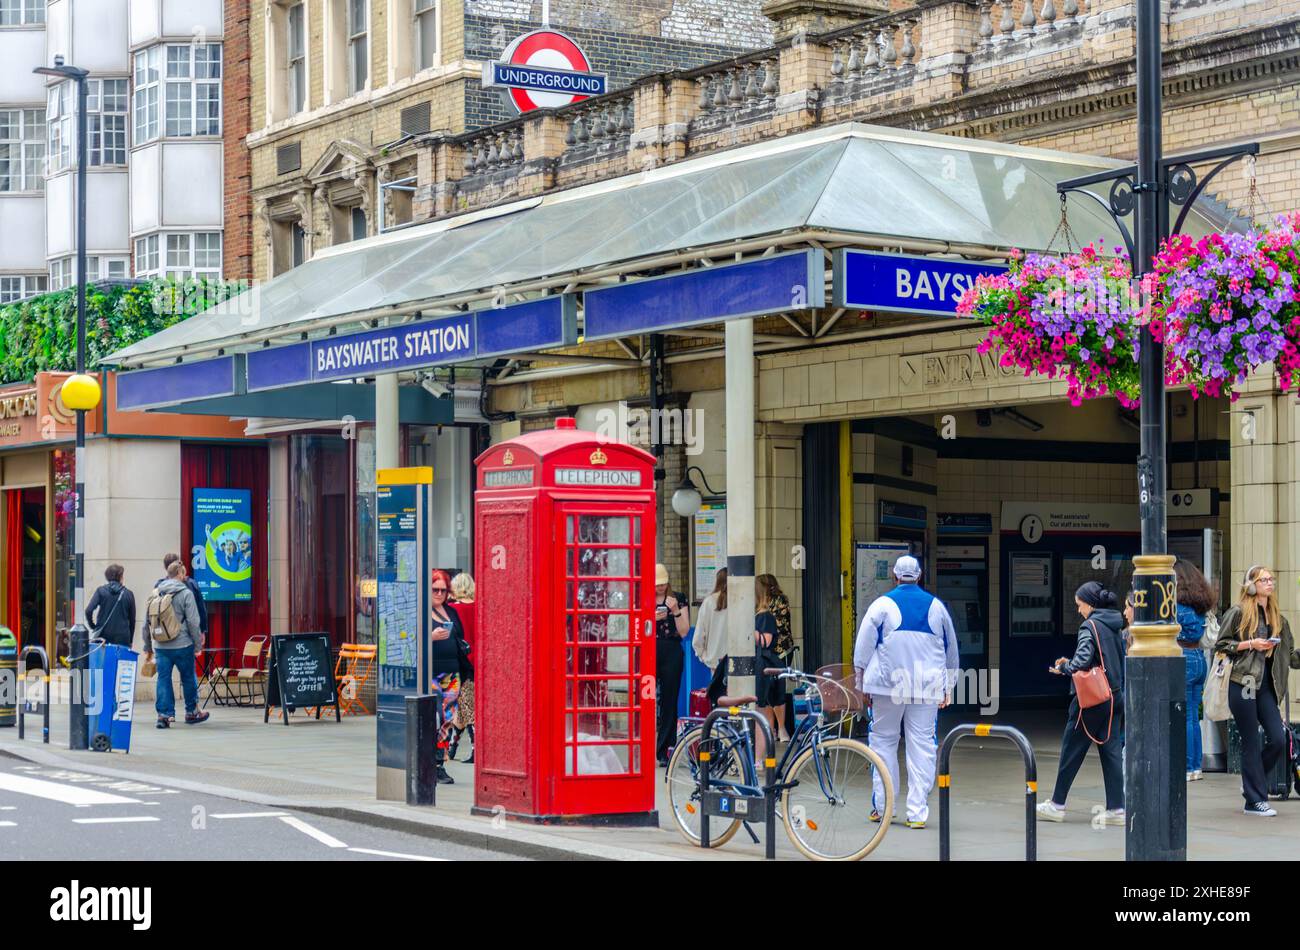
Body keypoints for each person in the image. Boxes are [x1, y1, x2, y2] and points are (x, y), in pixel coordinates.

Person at [854, 555, 958, 829]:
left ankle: (883, 806)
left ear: (894, 575)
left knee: (884, 742)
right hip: (927, 687)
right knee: (922, 744)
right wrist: (949, 686)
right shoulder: (937, 607)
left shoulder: (881, 605)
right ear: (920, 575)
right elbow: (951, 651)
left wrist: (860, 681)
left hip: (886, 686)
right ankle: (917, 812)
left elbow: (863, 647)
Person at [1036, 581, 1126, 825]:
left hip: (1092, 700)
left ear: (1090, 604)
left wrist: (1065, 666)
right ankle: (1117, 809)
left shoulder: (1090, 625)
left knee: (1071, 750)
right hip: (1115, 696)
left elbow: (1083, 661)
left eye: (1079, 605)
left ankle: (1056, 804)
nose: (1078, 610)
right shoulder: (1115, 624)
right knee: (1111, 752)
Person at [1214, 565, 1300, 817]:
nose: (1270, 583)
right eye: (1264, 580)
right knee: (1251, 740)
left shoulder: (1278, 618)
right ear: (1251, 585)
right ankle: (1254, 800)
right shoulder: (1239, 612)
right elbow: (1221, 644)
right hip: (1243, 683)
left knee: (1278, 738)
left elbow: (1291, 656)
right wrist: (1251, 643)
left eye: (1271, 579)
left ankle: (1252, 783)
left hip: (1266, 687)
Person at [142, 560, 209, 728]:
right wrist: (197, 645)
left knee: (163, 679)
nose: (184, 576)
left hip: (161, 645)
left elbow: (147, 622)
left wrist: (148, 646)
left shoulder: (156, 592)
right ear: (179, 574)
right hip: (182, 644)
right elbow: (194, 622)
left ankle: (164, 715)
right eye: (183, 573)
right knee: (187, 678)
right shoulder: (185, 593)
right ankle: (192, 712)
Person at [1174, 560, 1216, 782]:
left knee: (1185, 715)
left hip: (1183, 657)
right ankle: (1195, 766)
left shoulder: (1176, 607)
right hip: (1199, 658)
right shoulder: (1199, 606)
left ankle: (1188, 766)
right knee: (1192, 714)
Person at [429, 569, 468, 784]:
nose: (439, 594)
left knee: (448, 721)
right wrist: (431, 637)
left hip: (453, 674)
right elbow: (410, 643)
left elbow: (460, 638)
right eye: (435, 589)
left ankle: (439, 765)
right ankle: (430, 761)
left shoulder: (451, 612)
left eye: (443, 590)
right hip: (431, 674)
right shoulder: (422, 613)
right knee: (435, 719)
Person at [654, 564, 689, 766]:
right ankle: (645, 746)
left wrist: (675, 611)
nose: (660, 587)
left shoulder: (678, 598)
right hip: (649, 649)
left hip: (672, 651)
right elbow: (635, 627)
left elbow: (684, 632)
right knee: (647, 701)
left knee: (669, 701)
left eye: (663, 583)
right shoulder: (642, 597)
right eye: (657, 584)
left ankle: (665, 750)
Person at [757, 573, 796, 741]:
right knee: (766, 692)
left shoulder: (779, 600)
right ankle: (771, 728)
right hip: (766, 653)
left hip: (780, 651)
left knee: (777, 689)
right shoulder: (759, 604)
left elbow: (778, 624)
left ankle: (781, 727)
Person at [754, 577, 786, 746]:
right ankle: (770, 734)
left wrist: (750, 630)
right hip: (759, 663)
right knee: (764, 701)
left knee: (767, 700)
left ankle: (776, 731)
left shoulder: (765, 617)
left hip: (765, 664)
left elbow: (765, 641)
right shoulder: (758, 615)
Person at [448, 571, 476, 763]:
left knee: (467, 706)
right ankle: (453, 747)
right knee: (464, 705)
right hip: (478, 661)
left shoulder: (451, 609)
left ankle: (476, 750)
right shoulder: (479, 607)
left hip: (460, 662)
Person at [693, 569, 729, 708]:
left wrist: (704, 656)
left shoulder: (708, 602)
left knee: (719, 703)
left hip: (715, 662)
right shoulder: (741, 600)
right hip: (738, 662)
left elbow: (698, 638)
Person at [157, 552, 208, 645]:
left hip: (163, 638)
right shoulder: (191, 584)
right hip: (185, 638)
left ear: (165, 567)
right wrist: (202, 631)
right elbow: (200, 610)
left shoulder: (159, 586)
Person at [85, 564, 136, 648]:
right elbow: (132, 620)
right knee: (121, 661)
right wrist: (130, 640)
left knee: (103, 660)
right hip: (123, 638)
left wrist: (93, 626)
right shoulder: (128, 594)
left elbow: (88, 610)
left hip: (103, 636)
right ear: (120, 577)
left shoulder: (101, 591)